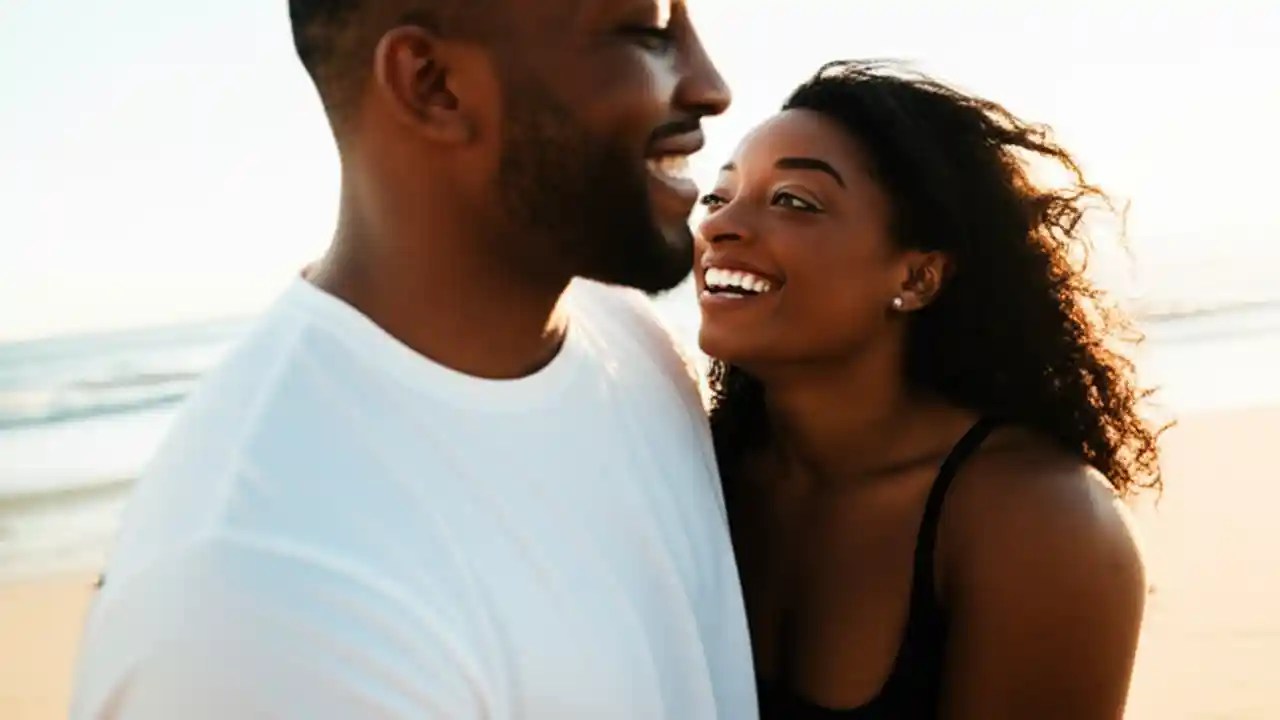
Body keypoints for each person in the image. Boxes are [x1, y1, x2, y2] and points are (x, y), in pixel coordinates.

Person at [71, 1, 755, 718]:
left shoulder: (633, 342)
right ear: (432, 84)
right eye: (647, 33)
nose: (711, 85)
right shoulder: (269, 599)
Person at [694, 60, 1160, 719]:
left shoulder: (1038, 522)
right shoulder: (690, 471)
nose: (717, 227)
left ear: (917, 279)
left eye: (794, 201)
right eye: (717, 197)